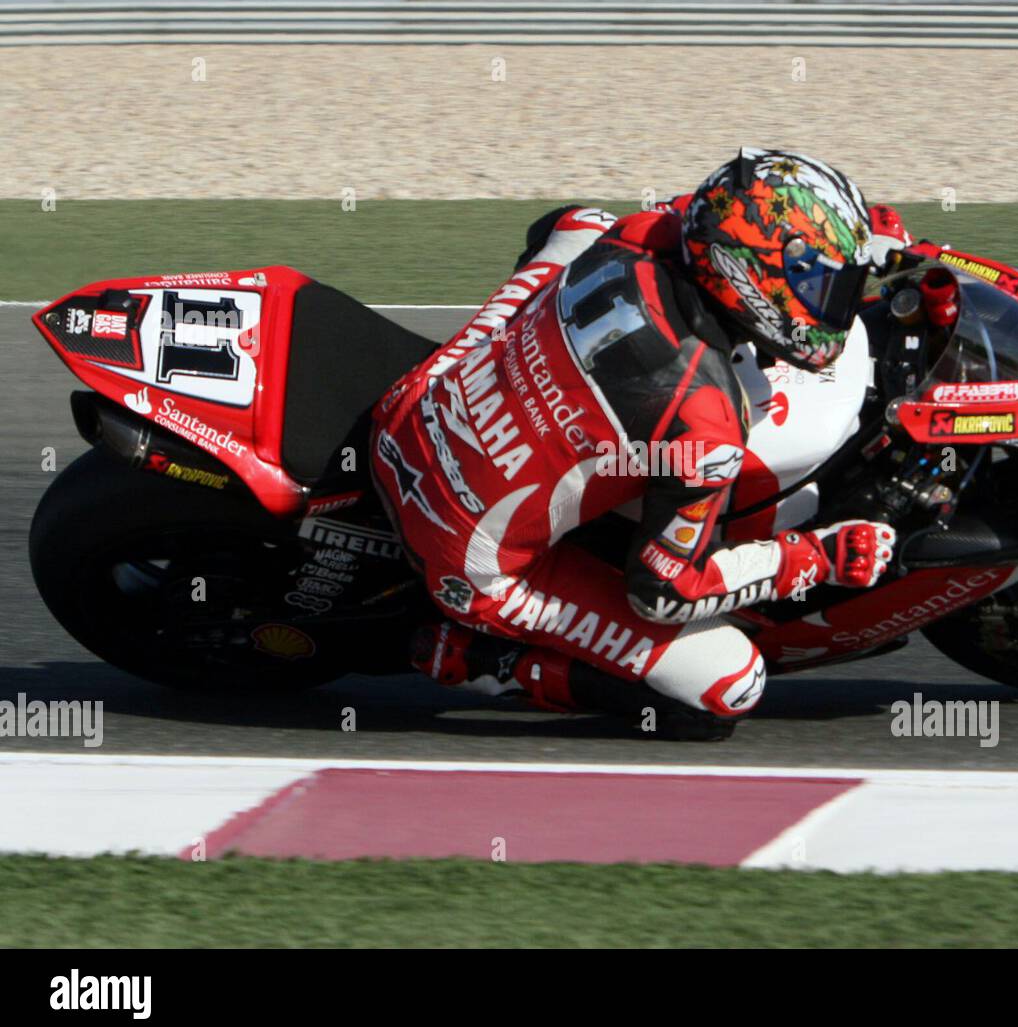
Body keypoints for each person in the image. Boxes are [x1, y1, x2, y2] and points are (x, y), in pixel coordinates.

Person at [370, 149, 909, 740]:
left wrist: (854, 243)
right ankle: (488, 661)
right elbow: (664, 590)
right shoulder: (706, 422)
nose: (831, 300)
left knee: (582, 226)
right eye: (823, 285)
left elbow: (704, 213)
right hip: (470, 562)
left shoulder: (646, 233)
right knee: (729, 686)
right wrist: (813, 559)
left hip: (413, 404)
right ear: (753, 278)